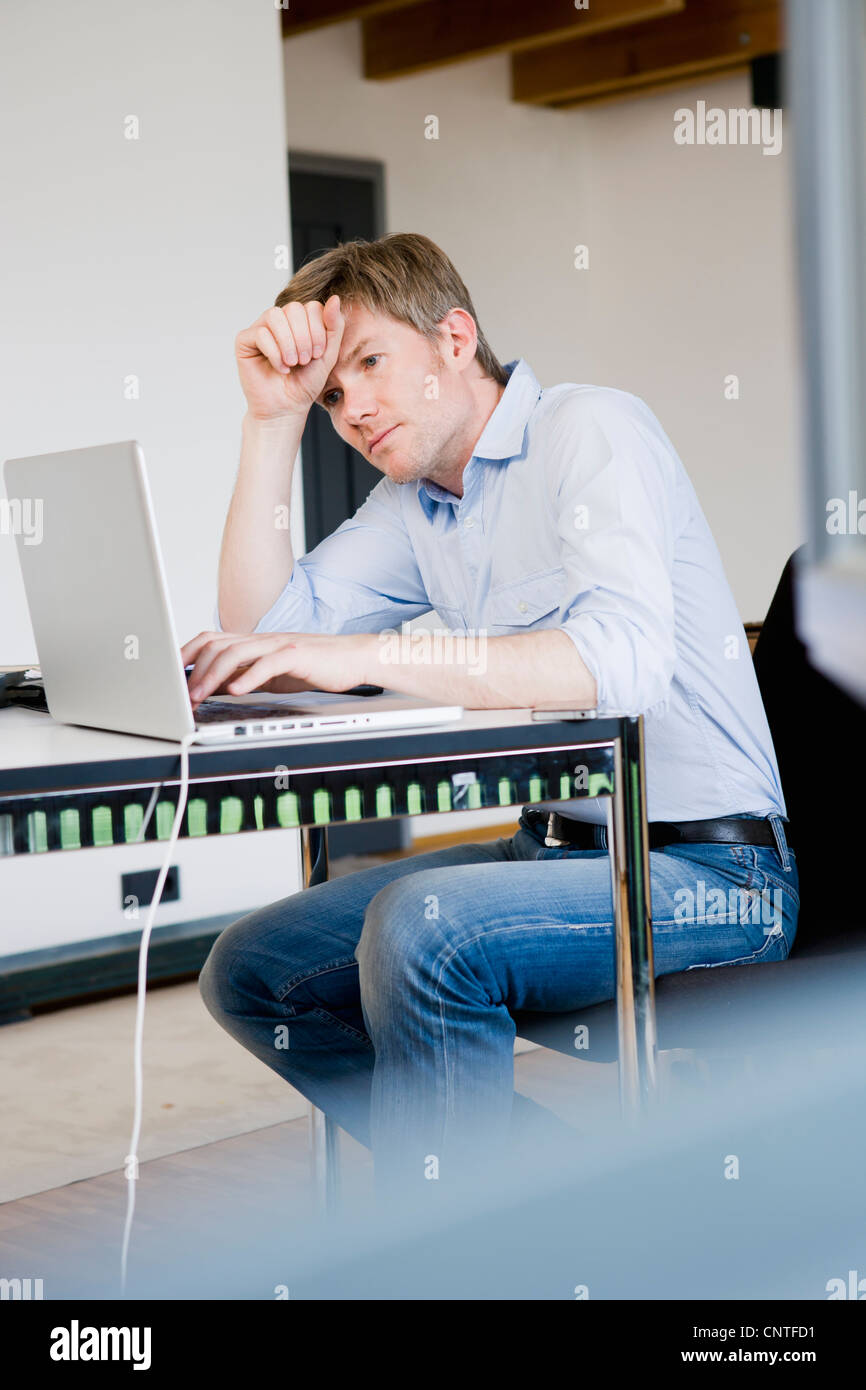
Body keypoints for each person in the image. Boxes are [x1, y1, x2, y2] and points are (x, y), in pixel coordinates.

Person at [187, 232, 798, 1196]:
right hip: (551, 852)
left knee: (422, 928)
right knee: (253, 970)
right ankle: (550, 1209)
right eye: (332, 396)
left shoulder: (591, 430)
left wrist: (363, 655)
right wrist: (272, 422)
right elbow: (267, 640)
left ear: (455, 338)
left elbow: (621, 665)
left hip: (711, 872)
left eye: (369, 367)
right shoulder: (415, 504)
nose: (352, 411)